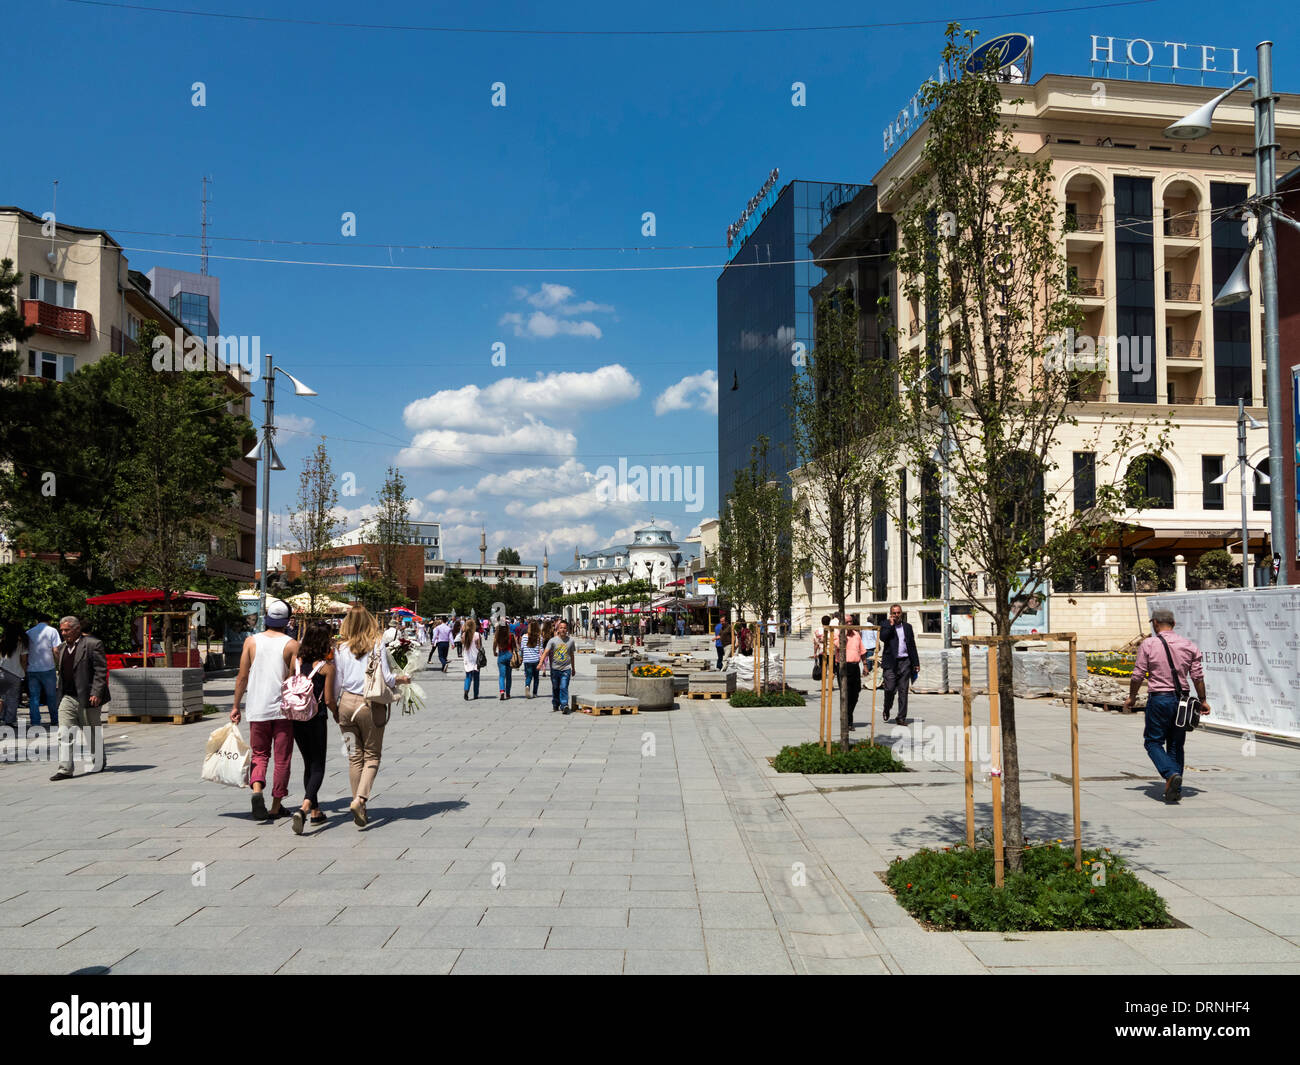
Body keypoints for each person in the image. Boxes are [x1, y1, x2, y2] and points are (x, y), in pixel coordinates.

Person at [332, 605, 409, 827]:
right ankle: (360, 799)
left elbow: (337, 681)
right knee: (372, 755)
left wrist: (336, 709)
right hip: (370, 705)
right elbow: (385, 677)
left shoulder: (341, 647)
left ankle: (358, 803)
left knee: (354, 756)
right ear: (369, 622)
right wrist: (402, 679)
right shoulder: (376, 644)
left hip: (345, 704)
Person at [1124, 608, 1210, 803]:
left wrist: (1131, 697)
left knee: (1153, 741)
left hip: (1160, 698)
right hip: (1183, 701)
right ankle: (1174, 788)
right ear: (1174, 624)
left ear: (1155, 623)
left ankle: (1170, 774)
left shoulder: (1149, 644)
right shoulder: (1188, 645)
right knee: (1176, 744)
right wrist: (1203, 700)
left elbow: (1138, 675)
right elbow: (1197, 677)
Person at [230, 598, 297, 820]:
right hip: (283, 710)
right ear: (286, 622)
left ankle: (257, 790)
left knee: (259, 753)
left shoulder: (251, 642)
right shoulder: (291, 644)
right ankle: (276, 804)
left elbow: (242, 676)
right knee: (282, 758)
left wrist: (236, 705)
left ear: (267, 619)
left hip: (257, 708)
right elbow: (293, 679)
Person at [45, 616, 110, 779]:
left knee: (91, 731)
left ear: (76, 629)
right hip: (67, 696)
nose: (63, 633)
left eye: (66, 630)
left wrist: (96, 692)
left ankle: (99, 760)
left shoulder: (93, 645)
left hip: (87, 696)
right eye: (61, 630)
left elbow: (100, 671)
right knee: (64, 732)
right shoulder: (60, 648)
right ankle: (65, 769)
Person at [290, 621, 335, 835]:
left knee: (308, 763)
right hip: (316, 718)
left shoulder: (296, 662)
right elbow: (328, 699)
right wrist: (338, 714)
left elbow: (289, 683)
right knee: (318, 766)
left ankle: (316, 811)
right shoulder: (326, 668)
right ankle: (305, 807)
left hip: (295, 718)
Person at [879, 604, 919, 725]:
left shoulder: (907, 627)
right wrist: (891, 626)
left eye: (898, 613)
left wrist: (916, 662)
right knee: (890, 688)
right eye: (894, 613)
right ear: (890, 614)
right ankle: (887, 707)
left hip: (905, 662)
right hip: (890, 662)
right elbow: (883, 638)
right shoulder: (885, 624)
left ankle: (901, 717)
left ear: (902, 613)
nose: (896, 615)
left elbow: (911, 645)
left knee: (903, 690)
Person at [842, 614, 877, 730]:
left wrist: (865, 666)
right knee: (846, 694)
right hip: (843, 667)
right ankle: (848, 721)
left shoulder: (857, 635)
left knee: (855, 693)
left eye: (851, 622)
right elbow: (836, 646)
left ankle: (848, 716)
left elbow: (862, 651)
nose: (849, 624)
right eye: (847, 622)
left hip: (855, 666)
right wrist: (844, 635)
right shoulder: (839, 635)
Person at [25, 616, 60, 728]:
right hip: (48, 668)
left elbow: (25, 653)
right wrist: (59, 664)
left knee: (34, 697)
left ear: (37, 621)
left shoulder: (28, 632)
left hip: (32, 669)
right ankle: (54, 719)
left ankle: (35, 721)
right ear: (49, 621)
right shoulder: (52, 631)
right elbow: (56, 650)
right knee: (51, 696)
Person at [540, 619, 578, 714]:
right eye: (561, 628)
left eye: (565, 628)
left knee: (564, 687)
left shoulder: (571, 641)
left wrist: (573, 668)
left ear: (567, 629)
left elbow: (572, 655)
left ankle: (564, 704)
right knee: (555, 687)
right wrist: (540, 663)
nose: (563, 630)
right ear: (558, 629)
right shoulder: (552, 641)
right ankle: (555, 703)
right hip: (555, 669)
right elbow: (546, 652)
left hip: (566, 669)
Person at [0, 621, 26, 729]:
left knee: (2, 697)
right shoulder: (21, 643)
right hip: (15, 672)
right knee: (13, 698)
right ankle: (9, 721)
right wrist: (24, 671)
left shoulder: (1, 641)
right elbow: (23, 660)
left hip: (1, 671)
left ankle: (1, 717)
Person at [520, 620, 543, 699]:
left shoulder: (524, 637)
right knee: (536, 677)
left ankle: (527, 686)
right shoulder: (539, 637)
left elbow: (522, 648)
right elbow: (541, 649)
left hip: (527, 659)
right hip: (536, 659)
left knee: (528, 676)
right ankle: (535, 693)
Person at [494, 622, 517, 700]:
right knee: (508, 676)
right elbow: (514, 646)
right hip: (509, 654)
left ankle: (502, 691)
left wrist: (494, 652)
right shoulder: (510, 635)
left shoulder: (497, 636)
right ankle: (508, 693)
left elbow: (494, 645)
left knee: (501, 676)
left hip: (501, 655)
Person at [461, 622, 482, 700]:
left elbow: (462, 643)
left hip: (467, 657)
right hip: (476, 657)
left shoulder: (464, 634)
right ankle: (476, 694)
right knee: (476, 677)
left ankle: (466, 691)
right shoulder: (477, 634)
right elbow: (479, 646)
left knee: (468, 676)